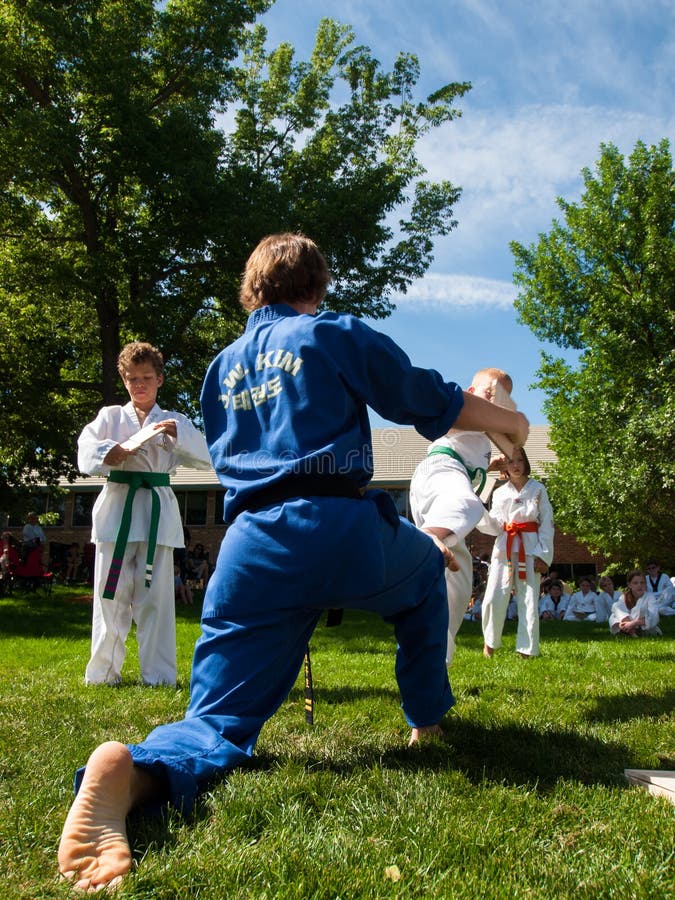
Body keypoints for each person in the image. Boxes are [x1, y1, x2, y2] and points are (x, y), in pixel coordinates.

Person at [58, 232, 529, 891]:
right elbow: (425, 398)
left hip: (250, 545)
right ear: (316, 286)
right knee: (426, 572)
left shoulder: (220, 366)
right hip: (337, 522)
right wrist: (512, 427)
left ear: (253, 290)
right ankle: (425, 720)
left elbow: (224, 457)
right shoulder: (331, 332)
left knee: (217, 718)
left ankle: (136, 774)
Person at [77, 341, 212, 687]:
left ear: (160, 380)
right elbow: (85, 451)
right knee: (111, 596)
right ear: (124, 380)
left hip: (155, 511)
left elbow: (205, 456)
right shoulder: (110, 417)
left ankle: (159, 676)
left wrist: (177, 436)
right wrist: (112, 452)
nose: (140, 384)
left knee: (156, 599)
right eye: (133, 378)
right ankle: (104, 674)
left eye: (147, 378)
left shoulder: (174, 420)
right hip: (117, 511)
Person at [409, 367, 514, 665]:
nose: (496, 404)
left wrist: (492, 464)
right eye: (490, 394)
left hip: (446, 488)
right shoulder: (462, 411)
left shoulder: (481, 439)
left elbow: (470, 458)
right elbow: (452, 429)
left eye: (503, 400)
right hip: (440, 473)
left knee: (457, 581)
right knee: (468, 503)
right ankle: (424, 541)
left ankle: (436, 658)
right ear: (470, 393)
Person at [480, 447, 554, 658]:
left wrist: (543, 555)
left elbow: (547, 524)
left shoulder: (538, 489)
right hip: (504, 548)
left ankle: (527, 649)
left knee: (529, 599)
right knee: (493, 597)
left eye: (520, 460)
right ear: (505, 466)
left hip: (530, 549)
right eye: (511, 461)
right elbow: (493, 523)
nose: (516, 465)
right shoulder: (499, 492)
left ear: (525, 462)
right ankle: (490, 643)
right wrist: (487, 471)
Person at [608, 570, 661, 636]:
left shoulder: (650, 597)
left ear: (645, 584)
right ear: (629, 585)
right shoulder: (624, 597)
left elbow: (654, 617)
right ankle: (631, 631)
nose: (639, 585)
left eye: (642, 583)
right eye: (635, 583)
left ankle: (629, 630)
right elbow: (618, 612)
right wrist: (627, 622)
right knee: (615, 608)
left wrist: (634, 623)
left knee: (641, 609)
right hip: (629, 624)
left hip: (646, 629)